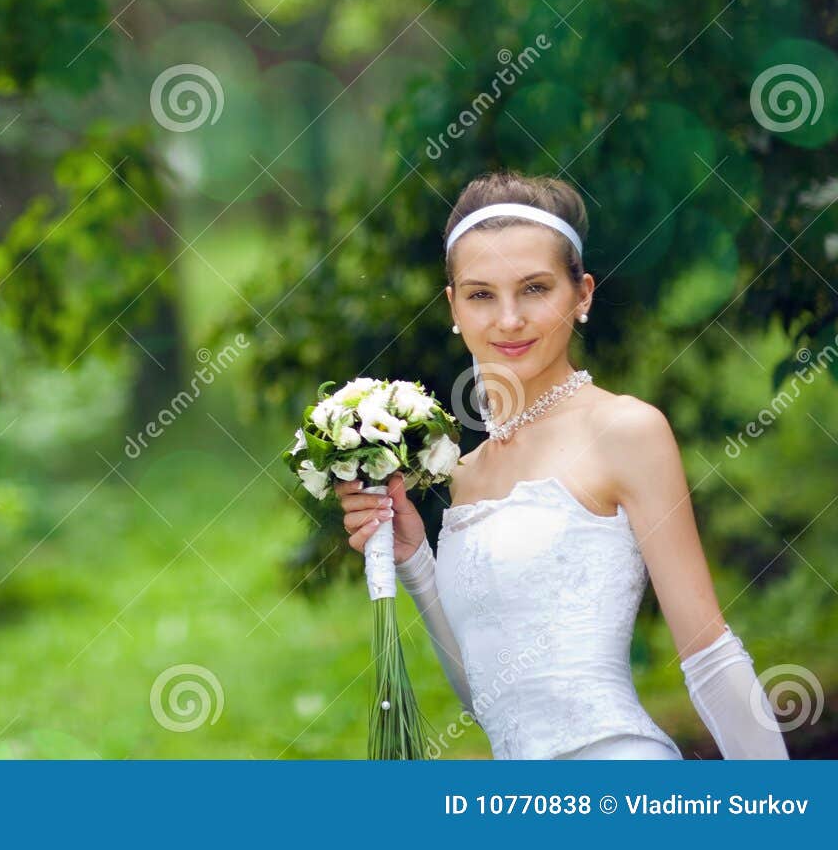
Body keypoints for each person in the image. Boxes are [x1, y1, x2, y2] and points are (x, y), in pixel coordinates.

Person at [335, 170, 789, 760]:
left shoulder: (624, 431)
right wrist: (415, 561)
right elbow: (490, 699)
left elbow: (709, 654)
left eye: (534, 288)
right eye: (480, 294)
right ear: (453, 306)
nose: (508, 320)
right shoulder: (464, 474)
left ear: (583, 295)